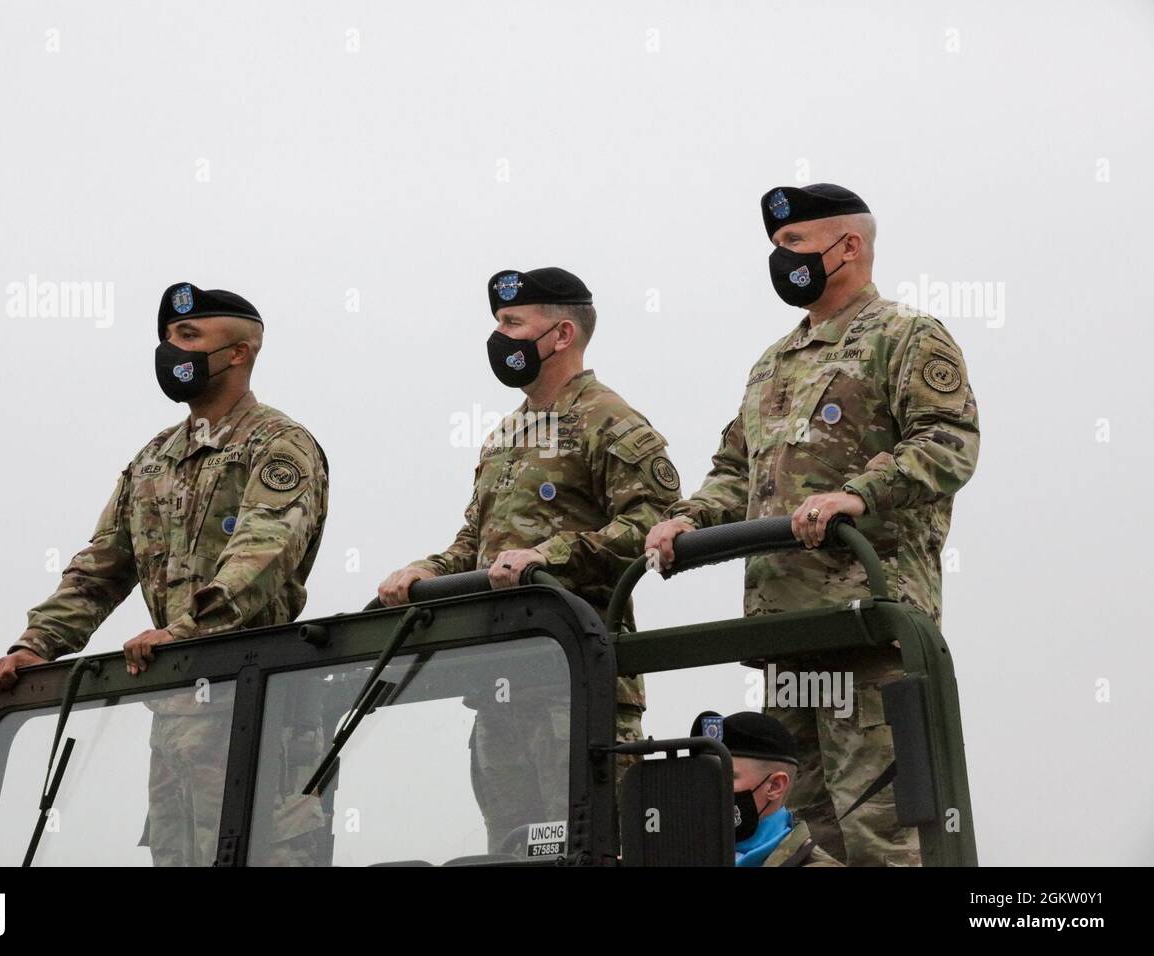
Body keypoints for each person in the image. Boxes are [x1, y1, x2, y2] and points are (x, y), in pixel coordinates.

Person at [647, 185, 980, 866]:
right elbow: (734, 471)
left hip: (865, 627)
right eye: (776, 248)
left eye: (793, 245)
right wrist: (685, 519)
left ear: (848, 246)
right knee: (800, 838)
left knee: (883, 834)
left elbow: (948, 442)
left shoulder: (904, 335)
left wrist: (858, 494)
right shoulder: (773, 362)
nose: (781, 260)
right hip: (785, 634)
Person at [0, 282, 330, 866]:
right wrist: (35, 645)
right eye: (168, 337)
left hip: (256, 710)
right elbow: (97, 571)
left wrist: (185, 630)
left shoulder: (278, 446)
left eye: (189, 337)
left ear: (239, 353)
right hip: (174, 716)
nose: (172, 351)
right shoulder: (153, 459)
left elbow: (262, 557)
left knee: (261, 856)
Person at [377, 267, 681, 851]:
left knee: (588, 845)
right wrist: (427, 570)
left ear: (562, 335)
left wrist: (550, 555)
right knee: (513, 851)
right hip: (501, 683)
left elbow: (653, 526)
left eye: (513, 323)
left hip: (577, 682)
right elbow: (475, 543)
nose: (500, 337)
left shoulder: (610, 421)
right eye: (497, 323)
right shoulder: (506, 436)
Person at [695, 711, 842, 867]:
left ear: (775, 786)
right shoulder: (686, 852)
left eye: (725, 776)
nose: (709, 786)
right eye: (706, 775)